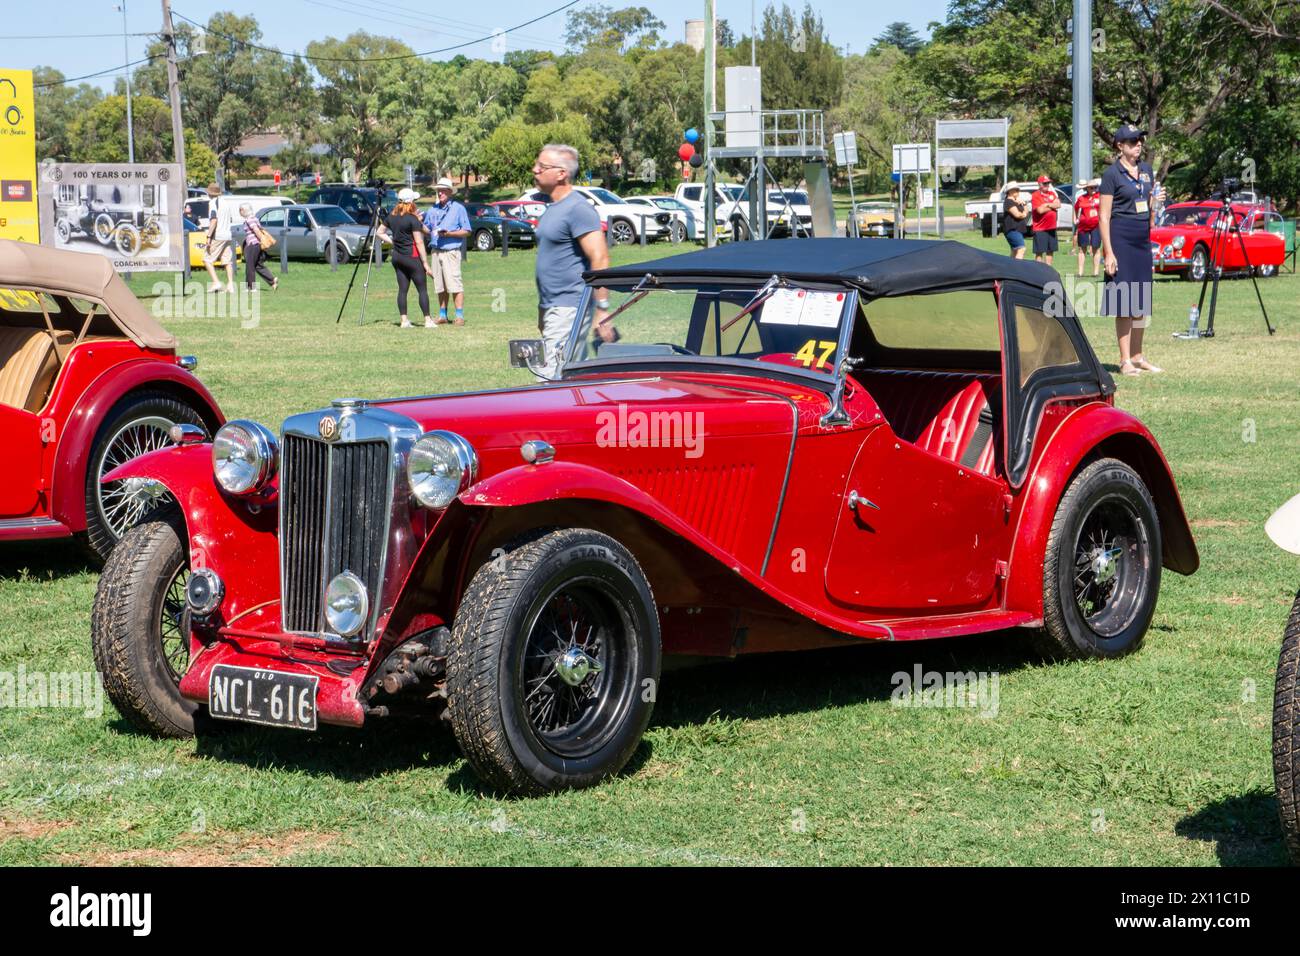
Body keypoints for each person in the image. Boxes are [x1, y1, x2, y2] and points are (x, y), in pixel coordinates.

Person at [532, 143, 614, 378]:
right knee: (571, 377)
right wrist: (542, 310)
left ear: (561, 174)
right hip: (553, 306)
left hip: (570, 306)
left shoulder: (578, 209)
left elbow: (600, 257)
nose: (535, 170)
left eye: (542, 166)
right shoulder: (553, 208)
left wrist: (602, 310)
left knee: (548, 380)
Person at [1099, 123, 1163, 376]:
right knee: (1124, 301)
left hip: (1141, 239)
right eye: (1133, 142)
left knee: (1141, 301)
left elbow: (1147, 206)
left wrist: (1154, 204)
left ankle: (1138, 356)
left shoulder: (1146, 171)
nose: (1138, 145)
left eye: (1139, 141)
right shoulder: (1111, 174)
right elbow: (1103, 217)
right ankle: (1124, 359)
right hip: (1121, 238)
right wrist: (1109, 252)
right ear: (1120, 146)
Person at [375, 187, 434, 328]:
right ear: (411, 202)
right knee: (422, 290)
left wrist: (393, 241)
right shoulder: (412, 219)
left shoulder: (392, 216)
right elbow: (420, 240)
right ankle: (428, 320)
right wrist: (425, 263)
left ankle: (404, 321)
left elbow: (379, 232)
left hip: (397, 257)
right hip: (412, 257)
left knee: (402, 290)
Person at [421, 177, 472, 325]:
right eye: (439, 190)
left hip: (451, 251)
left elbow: (467, 231)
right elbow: (427, 230)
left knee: (455, 284)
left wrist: (449, 234)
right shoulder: (432, 210)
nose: (440, 193)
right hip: (436, 251)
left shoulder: (458, 209)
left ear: (450, 192)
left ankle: (459, 316)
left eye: (443, 190)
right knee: (440, 285)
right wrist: (417, 222)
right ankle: (442, 315)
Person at [202, 184, 237, 292]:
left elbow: (214, 220)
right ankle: (230, 285)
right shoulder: (226, 203)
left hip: (218, 235)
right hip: (227, 235)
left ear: (210, 193)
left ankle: (216, 282)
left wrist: (208, 236)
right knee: (227, 261)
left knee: (207, 259)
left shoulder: (212, 203)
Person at [239, 203, 278, 292]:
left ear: (244, 211)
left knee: (250, 266)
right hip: (256, 245)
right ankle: (272, 280)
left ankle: (251, 287)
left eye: (240, 210)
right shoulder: (255, 218)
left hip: (252, 244)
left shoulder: (249, 220)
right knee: (258, 265)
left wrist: (262, 240)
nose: (240, 212)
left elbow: (256, 230)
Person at [1073, 179, 1103, 277]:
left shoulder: (1100, 196)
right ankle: (1080, 272)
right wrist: (1074, 219)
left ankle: (1096, 272)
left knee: (1096, 248)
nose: (1094, 189)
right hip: (1083, 226)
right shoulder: (1081, 198)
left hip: (1096, 225)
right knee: (1082, 249)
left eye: (1095, 187)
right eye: (1091, 187)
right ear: (1087, 188)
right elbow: (1075, 208)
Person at [1030, 174, 1061, 263]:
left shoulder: (1052, 194)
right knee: (1039, 252)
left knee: (1050, 251)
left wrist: (1046, 204)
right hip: (1040, 228)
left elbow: (1058, 204)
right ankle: (1039, 272)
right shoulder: (1036, 195)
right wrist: (1052, 206)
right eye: (1045, 183)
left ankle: (1048, 271)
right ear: (1039, 184)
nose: (1047, 185)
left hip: (1051, 227)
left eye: (1048, 183)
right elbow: (1040, 210)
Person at [1002, 185, 1030, 259]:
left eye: (1018, 189)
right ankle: (1018, 268)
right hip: (1012, 230)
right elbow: (1017, 214)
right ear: (1009, 192)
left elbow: (1027, 212)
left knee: (1014, 251)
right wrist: (1023, 214)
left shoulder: (1017, 201)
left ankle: (1010, 268)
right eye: (1015, 189)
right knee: (1021, 249)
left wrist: (1023, 204)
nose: (1018, 191)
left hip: (1018, 230)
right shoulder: (1008, 201)